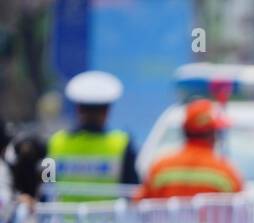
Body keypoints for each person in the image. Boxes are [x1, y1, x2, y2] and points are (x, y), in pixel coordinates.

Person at [47, 71, 139, 202]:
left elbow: (46, 184)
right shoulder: (122, 144)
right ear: (107, 111)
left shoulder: (56, 142)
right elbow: (132, 190)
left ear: (78, 108)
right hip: (109, 222)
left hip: (64, 221)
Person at [135, 99, 243, 200]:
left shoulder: (159, 168)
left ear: (185, 130)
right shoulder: (226, 173)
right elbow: (240, 211)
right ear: (213, 134)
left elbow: (139, 204)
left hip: (167, 221)